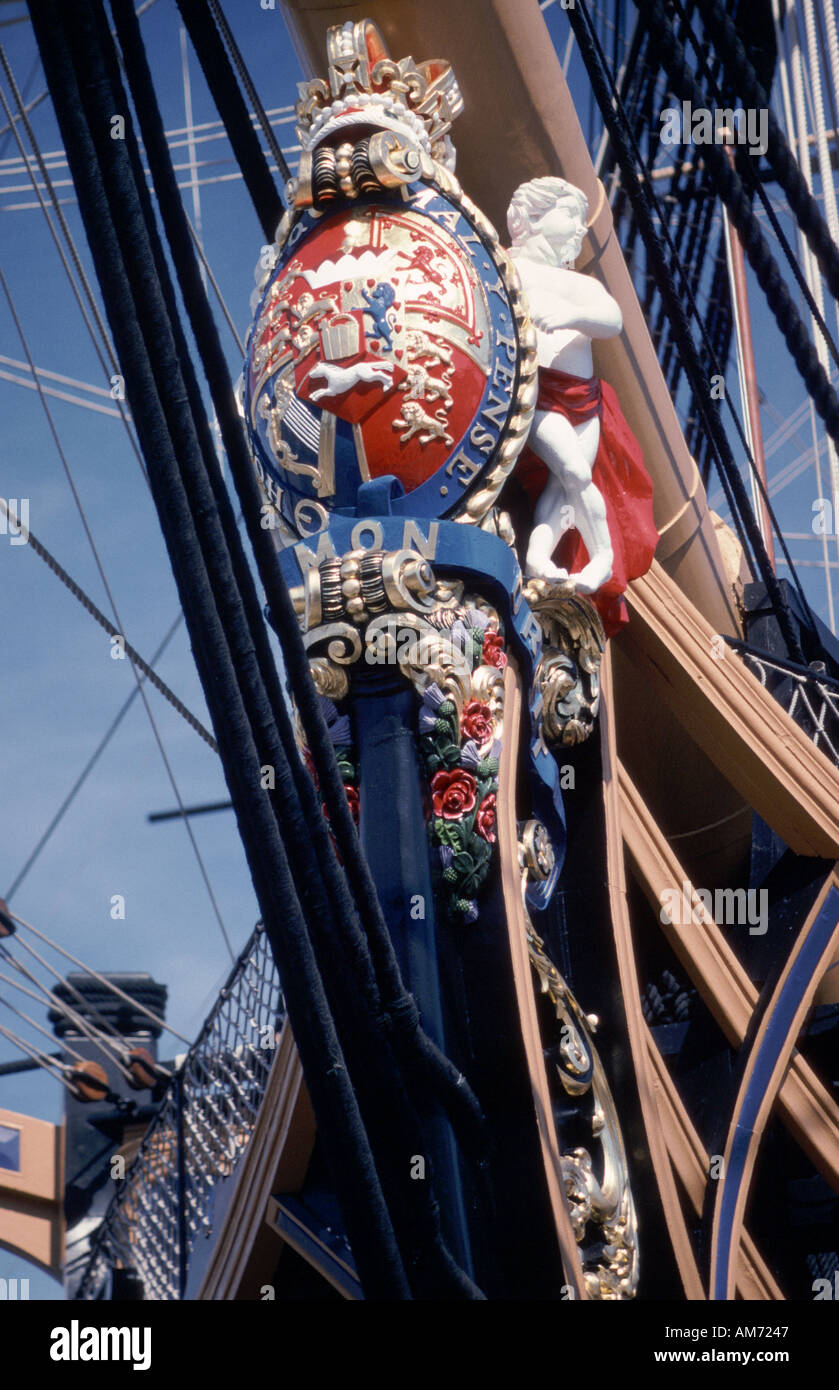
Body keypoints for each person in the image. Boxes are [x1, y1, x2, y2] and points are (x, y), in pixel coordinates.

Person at [507, 176, 658, 635]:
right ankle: (603, 556)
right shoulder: (505, 267)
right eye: (570, 217)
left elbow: (611, 318)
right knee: (573, 472)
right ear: (535, 216)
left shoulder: (574, 282)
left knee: (563, 487)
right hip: (539, 393)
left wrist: (572, 316)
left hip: (584, 397)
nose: (578, 230)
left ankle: (538, 556)